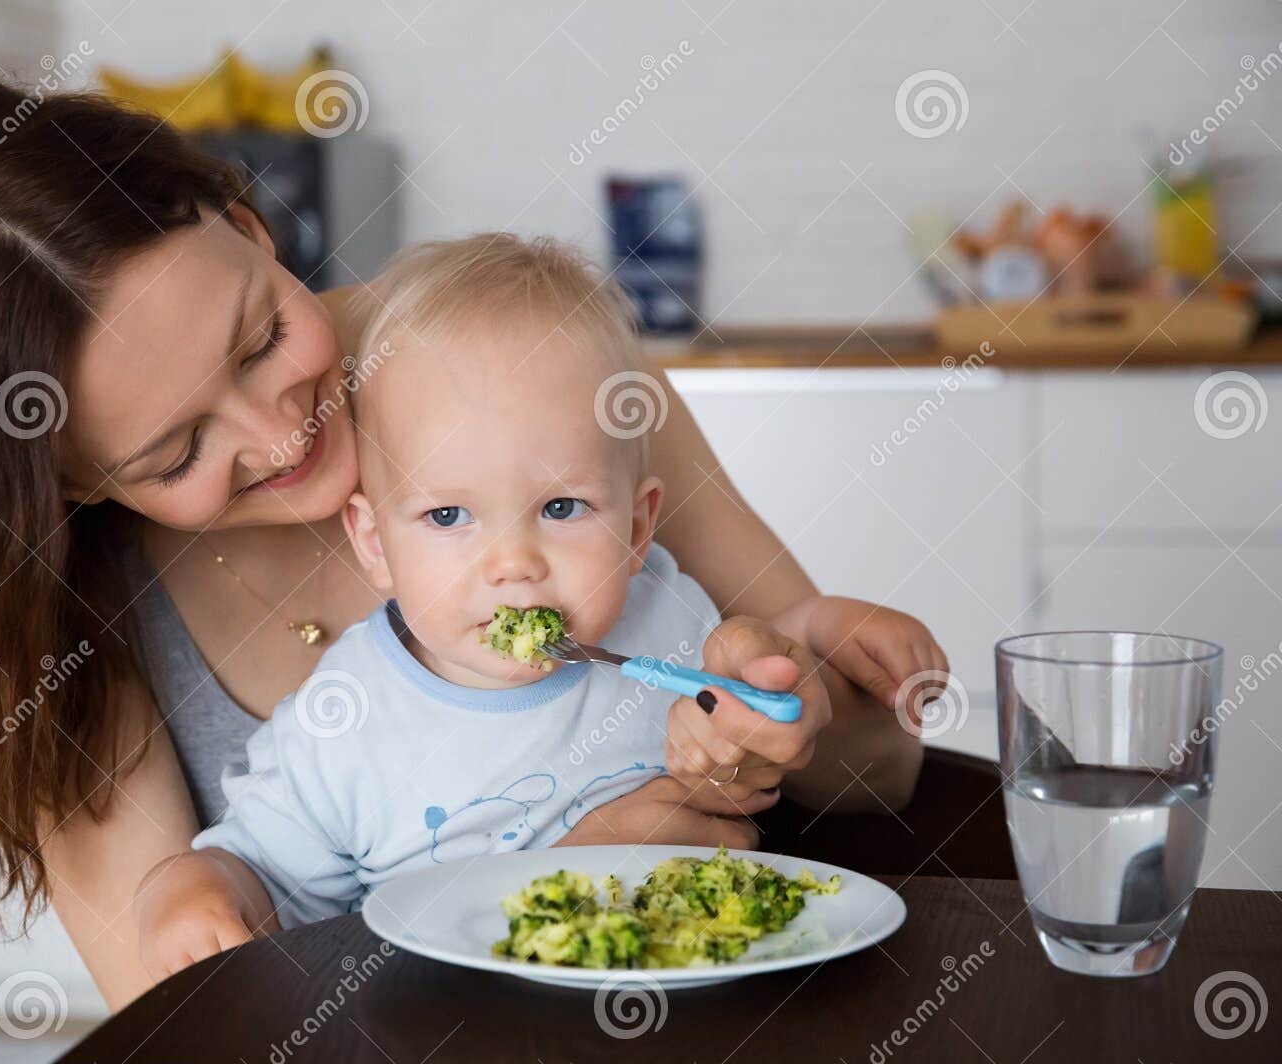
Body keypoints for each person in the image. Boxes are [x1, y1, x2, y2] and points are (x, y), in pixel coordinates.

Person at [0, 79, 939, 1010]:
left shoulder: (525, 363)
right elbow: (198, 1034)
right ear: (67, 486)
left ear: (247, 227)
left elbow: (881, 776)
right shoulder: (60, 613)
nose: (279, 432)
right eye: (175, 451)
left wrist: (785, 719)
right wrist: (537, 893)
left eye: (258, 338)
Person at [136, 234, 948, 968]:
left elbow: (764, 673)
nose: (514, 564)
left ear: (638, 527)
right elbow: (256, 869)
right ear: (375, 543)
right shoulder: (342, 720)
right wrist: (194, 885)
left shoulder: (669, 617)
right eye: (448, 516)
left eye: (562, 509)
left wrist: (814, 635)